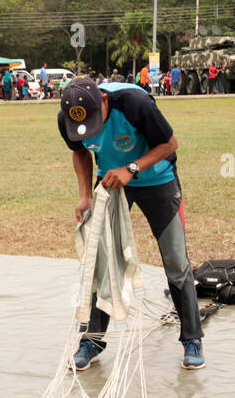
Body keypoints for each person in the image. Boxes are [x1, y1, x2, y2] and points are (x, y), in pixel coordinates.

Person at [57, 77, 205, 370]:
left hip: (158, 180)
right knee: (100, 260)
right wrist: (85, 195)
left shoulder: (135, 104)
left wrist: (131, 168)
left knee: (175, 260)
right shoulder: (68, 117)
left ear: (103, 99)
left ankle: (192, 339)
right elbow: (80, 152)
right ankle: (92, 339)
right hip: (111, 183)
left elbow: (170, 143)